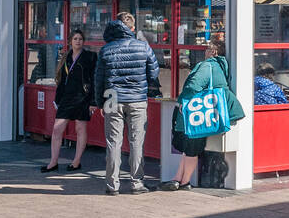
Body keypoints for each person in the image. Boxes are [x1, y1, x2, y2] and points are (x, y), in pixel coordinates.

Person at [162, 42, 245, 191]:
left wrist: (182, 101)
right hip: (211, 113)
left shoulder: (208, 65)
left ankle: (185, 182)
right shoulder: (221, 65)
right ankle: (177, 178)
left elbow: (194, 85)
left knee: (192, 147)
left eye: (207, 49)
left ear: (213, 51)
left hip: (200, 113)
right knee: (189, 148)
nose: (204, 51)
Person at [93, 15, 159, 195]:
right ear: (131, 28)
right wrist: (147, 88)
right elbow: (153, 72)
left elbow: (99, 80)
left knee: (113, 142)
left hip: (112, 97)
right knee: (137, 141)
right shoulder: (143, 46)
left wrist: (100, 103)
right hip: (137, 97)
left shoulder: (106, 49)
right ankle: (137, 183)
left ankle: (112, 185)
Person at [44, 30, 95, 172]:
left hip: (83, 98)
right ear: (70, 41)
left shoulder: (90, 57)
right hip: (67, 98)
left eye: (80, 39)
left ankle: (76, 161)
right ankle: (53, 162)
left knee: (80, 129)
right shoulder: (66, 57)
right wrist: (57, 100)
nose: (78, 41)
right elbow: (61, 80)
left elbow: (94, 80)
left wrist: (93, 102)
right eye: (75, 39)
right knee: (57, 129)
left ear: (83, 41)